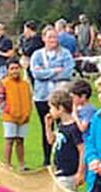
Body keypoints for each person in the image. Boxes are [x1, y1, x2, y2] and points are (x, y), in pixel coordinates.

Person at [30, 27, 75, 166]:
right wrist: (54, 71)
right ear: (43, 38)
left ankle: (64, 158)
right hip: (42, 97)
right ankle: (46, 159)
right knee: (46, 126)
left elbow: (67, 72)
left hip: (61, 98)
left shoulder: (65, 53)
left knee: (64, 128)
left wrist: (46, 72)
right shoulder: (37, 55)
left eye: (55, 37)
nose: (53, 40)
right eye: (50, 37)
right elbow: (36, 74)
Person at [0, 59, 32, 171]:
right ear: (7, 71)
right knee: (9, 140)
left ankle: (22, 164)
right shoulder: (4, 83)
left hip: (23, 116)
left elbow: (29, 98)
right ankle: (7, 164)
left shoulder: (25, 84)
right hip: (9, 117)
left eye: (16, 68)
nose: (15, 71)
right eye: (12, 68)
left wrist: (28, 111)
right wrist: (8, 110)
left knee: (20, 140)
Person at [47, 89, 85, 191]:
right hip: (59, 171)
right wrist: (48, 126)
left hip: (69, 173)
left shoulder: (73, 128)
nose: (50, 111)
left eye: (51, 108)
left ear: (60, 108)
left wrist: (80, 172)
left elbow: (82, 150)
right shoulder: (61, 126)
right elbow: (51, 141)